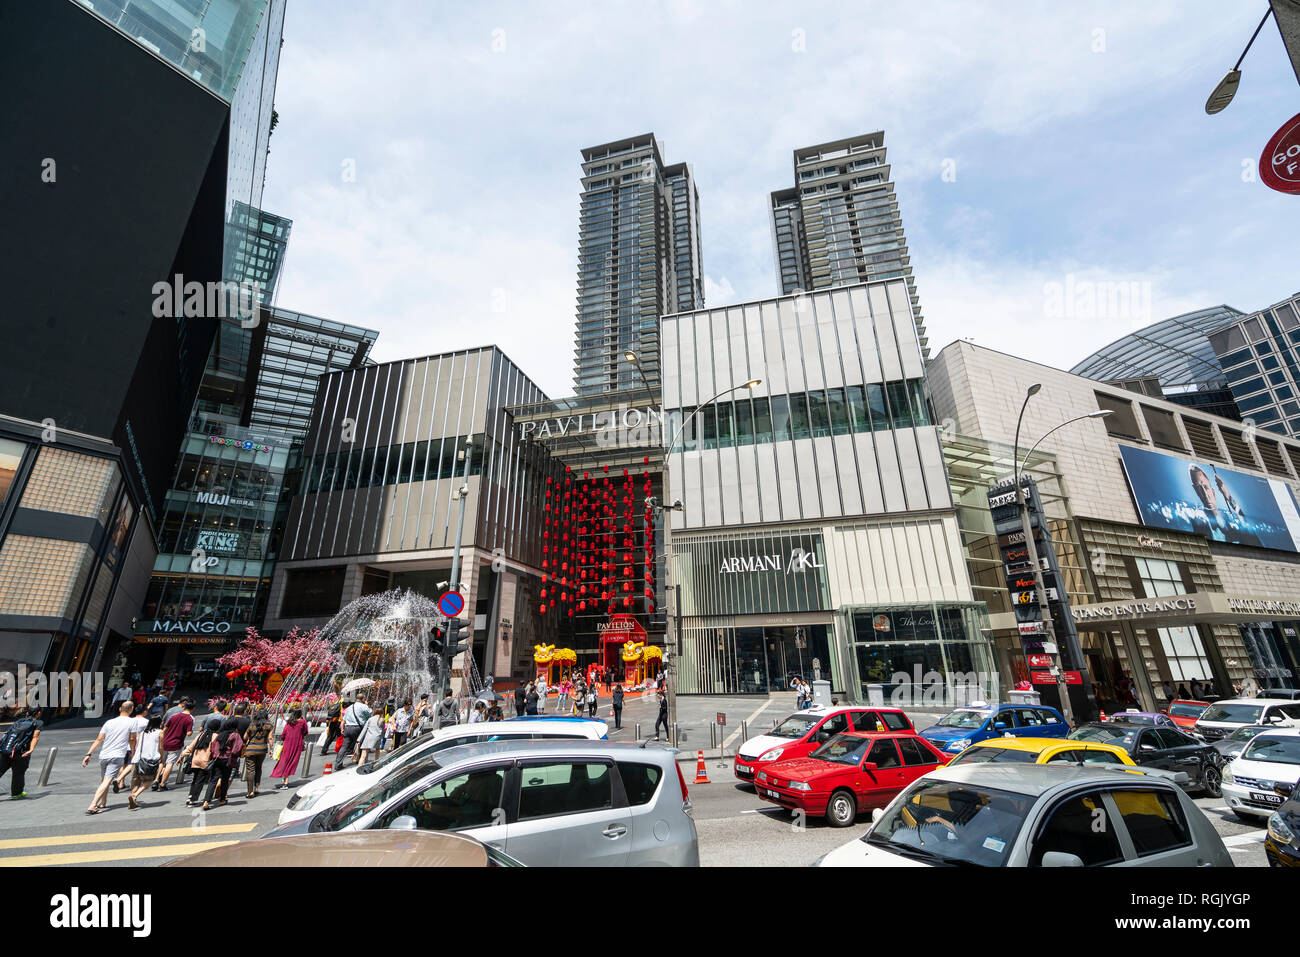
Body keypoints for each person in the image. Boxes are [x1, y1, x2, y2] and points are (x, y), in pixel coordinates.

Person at [83, 701, 139, 814]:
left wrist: (88, 754)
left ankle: (103, 802)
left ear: (120, 709)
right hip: (117, 755)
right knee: (107, 781)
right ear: (131, 709)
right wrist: (133, 752)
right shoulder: (132, 722)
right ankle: (93, 805)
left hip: (104, 755)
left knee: (104, 780)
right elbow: (132, 739)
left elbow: (99, 739)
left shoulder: (109, 722)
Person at [199, 721, 244, 811]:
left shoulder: (220, 734)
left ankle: (206, 801)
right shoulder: (235, 735)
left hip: (217, 759)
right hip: (228, 760)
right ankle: (222, 799)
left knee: (213, 780)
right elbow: (236, 749)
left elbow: (213, 746)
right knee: (225, 779)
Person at [0, 707, 42, 799]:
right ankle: (16, 793)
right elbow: (35, 736)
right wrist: (31, 749)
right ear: (38, 713)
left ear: (27, 713)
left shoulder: (19, 721)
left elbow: (7, 733)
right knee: (18, 773)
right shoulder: (37, 723)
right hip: (21, 752)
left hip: (6, 750)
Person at [154, 698, 195, 791]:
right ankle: (162, 784)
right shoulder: (189, 719)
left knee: (162, 762)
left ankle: (156, 779)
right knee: (170, 763)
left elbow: (164, 730)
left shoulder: (174, 717)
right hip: (176, 744)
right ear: (193, 709)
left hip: (165, 742)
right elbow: (189, 733)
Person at [181, 716, 222, 808]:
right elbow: (216, 751)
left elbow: (191, 746)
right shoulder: (216, 736)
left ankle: (190, 796)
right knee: (200, 781)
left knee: (195, 779)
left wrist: (182, 756)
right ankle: (193, 799)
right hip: (205, 761)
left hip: (195, 760)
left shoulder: (201, 734)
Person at [128, 716, 163, 810]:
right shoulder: (160, 732)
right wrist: (162, 757)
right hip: (149, 760)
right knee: (148, 780)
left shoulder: (142, 733)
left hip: (137, 760)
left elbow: (137, 744)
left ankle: (133, 801)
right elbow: (160, 747)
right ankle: (134, 796)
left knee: (135, 782)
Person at [113, 703, 150, 794]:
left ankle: (121, 783)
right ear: (144, 712)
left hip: (124, 745)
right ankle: (119, 779)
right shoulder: (146, 722)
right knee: (131, 764)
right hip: (136, 746)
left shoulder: (130, 720)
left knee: (123, 764)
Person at [270, 708, 308, 789]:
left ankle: (285, 781)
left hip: (288, 744)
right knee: (291, 762)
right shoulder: (302, 722)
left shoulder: (289, 723)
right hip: (297, 744)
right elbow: (305, 732)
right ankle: (285, 779)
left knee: (284, 761)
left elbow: (283, 734)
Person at [241, 707, 272, 798]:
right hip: (262, 749)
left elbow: (245, 737)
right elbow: (270, 738)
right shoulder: (269, 725)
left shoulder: (252, 724)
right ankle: (256, 788)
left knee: (250, 770)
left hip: (250, 749)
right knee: (258, 768)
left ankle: (250, 792)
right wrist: (272, 749)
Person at [336, 695, 372, 771]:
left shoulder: (349, 707)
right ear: (363, 699)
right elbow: (370, 714)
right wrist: (367, 705)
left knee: (344, 747)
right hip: (357, 728)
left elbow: (344, 719)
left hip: (348, 728)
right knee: (361, 744)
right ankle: (361, 761)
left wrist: (342, 728)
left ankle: (338, 764)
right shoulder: (363, 706)